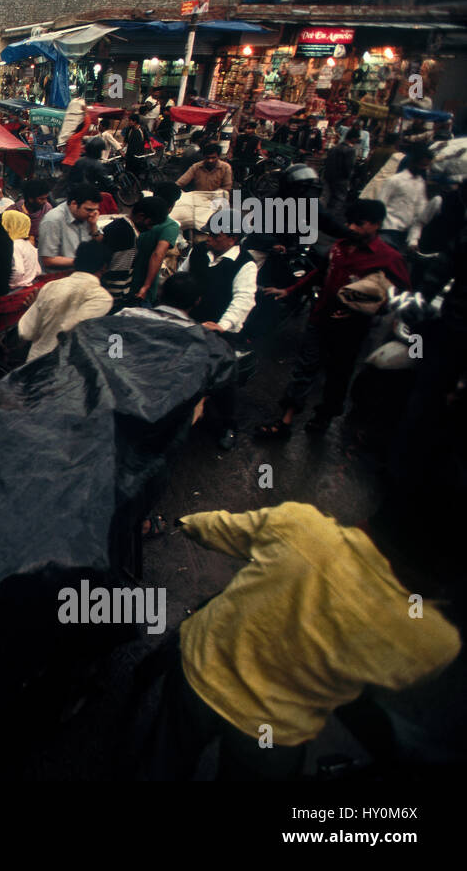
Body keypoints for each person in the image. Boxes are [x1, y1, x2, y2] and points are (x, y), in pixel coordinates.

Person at [128, 502, 460, 780]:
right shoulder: (434, 642)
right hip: (272, 731)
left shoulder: (304, 526)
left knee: (165, 757)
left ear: (369, 518)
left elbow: (220, 528)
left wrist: (187, 523)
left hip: (201, 671)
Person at [256, 199, 411, 438]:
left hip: (352, 330)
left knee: (338, 374)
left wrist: (374, 307)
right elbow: (319, 273)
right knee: (304, 369)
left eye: (359, 223)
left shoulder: (388, 258)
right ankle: (285, 421)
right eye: (349, 222)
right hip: (320, 318)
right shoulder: (339, 247)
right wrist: (290, 290)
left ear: (376, 225)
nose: (351, 227)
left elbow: (402, 292)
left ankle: (324, 417)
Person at [179, 225, 257, 449]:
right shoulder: (199, 251)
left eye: (215, 235)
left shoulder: (245, 263)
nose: (208, 238)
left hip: (222, 328)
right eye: (209, 233)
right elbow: (183, 277)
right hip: (192, 321)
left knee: (223, 376)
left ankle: (228, 425)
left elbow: (244, 299)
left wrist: (222, 325)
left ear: (232, 239)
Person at [18, 240, 112, 362]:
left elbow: (26, 332)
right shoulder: (101, 298)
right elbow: (71, 330)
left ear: (76, 261)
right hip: (67, 369)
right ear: (104, 267)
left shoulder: (50, 286)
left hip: (34, 362)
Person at [378, 143, 433, 250]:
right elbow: (381, 204)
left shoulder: (421, 184)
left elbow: (419, 214)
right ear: (413, 162)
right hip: (388, 229)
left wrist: (413, 239)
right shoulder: (395, 180)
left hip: (405, 234)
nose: (423, 168)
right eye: (421, 165)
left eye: (426, 166)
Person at [128, 196, 180, 305]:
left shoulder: (136, 219)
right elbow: (158, 254)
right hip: (141, 286)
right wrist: (146, 286)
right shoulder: (170, 226)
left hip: (124, 283)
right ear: (171, 207)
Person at [38, 184, 101, 271]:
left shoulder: (89, 217)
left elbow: (99, 242)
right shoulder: (52, 220)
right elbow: (48, 260)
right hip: (61, 276)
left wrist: (93, 226)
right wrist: (81, 261)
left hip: (83, 271)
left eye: (95, 209)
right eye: (89, 210)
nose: (92, 214)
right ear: (73, 204)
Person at [321, 127, 360, 215]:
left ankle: (319, 217)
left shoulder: (335, 148)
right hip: (341, 179)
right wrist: (348, 179)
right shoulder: (350, 151)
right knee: (338, 200)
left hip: (328, 176)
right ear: (353, 138)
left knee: (325, 197)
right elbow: (348, 167)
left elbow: (326, 161)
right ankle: (329, 220)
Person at [2, 208, 41, 289]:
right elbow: (38, 271)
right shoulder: (28, 244)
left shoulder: (14, 245)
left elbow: (18, 271)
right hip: (30, 286)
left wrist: (10, 285)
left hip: (16, 290)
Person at [17, 178, 52, 243]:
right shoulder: (15, 211)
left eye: (46, 198)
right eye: (41, 199)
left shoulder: (47, 209)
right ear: (30, 199)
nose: (45, 201)